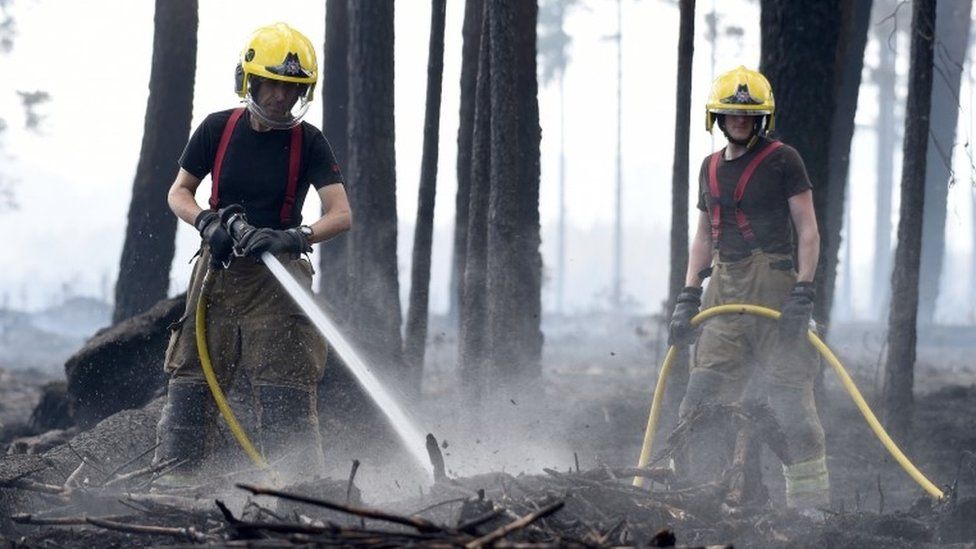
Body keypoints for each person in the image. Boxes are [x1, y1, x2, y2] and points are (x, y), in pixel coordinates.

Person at [154, 22, 352, 484]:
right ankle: (175, 483)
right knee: (192, 375)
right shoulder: (217, 129)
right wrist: (206, 221)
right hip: (217, 273)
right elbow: (180, 192)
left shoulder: (310, 142)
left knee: (285, 382)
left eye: (292, 88)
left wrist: (296, 238)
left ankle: (298, 487)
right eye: (273, 85)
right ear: (249, 80)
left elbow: (340, 214)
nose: (281, 97)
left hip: (279, 281)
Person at [668, 66, 828, 511]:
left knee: (790, 404)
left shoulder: (783, 160)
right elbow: (704, 237)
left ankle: (810, 512)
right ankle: (700, 501)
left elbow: (808, 230)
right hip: (723, 292)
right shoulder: (710, 168)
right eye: (732, 114)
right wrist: (687, 296)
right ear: (717, 118)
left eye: (749, 115)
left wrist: (803, 291)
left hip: (774, 289)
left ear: (762, 119)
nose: (740, 121)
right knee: (700, 399)